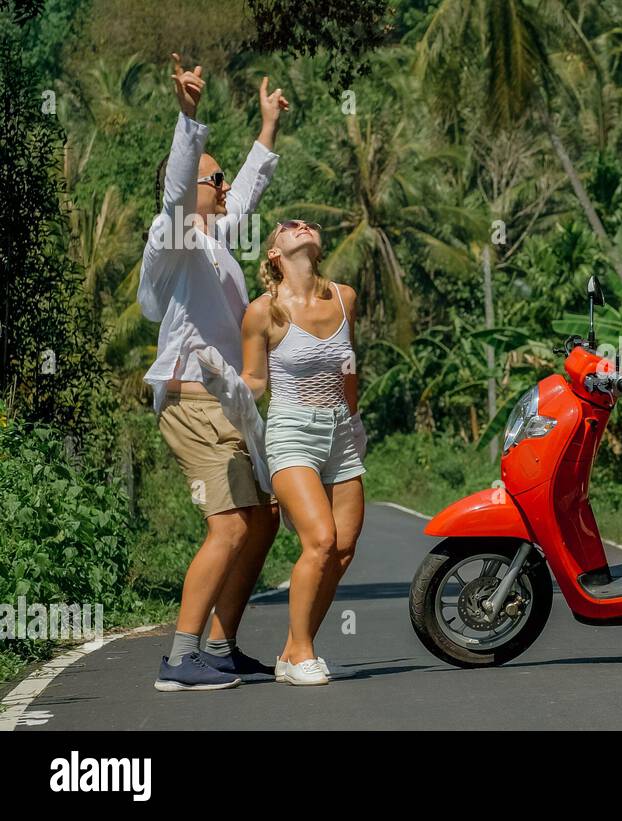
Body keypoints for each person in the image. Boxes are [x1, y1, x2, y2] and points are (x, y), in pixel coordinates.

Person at [140, 53, 289, 691]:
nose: (224, 184)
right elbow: (179, 190)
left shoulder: (219, 241)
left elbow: (248, 190)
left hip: (226, 405)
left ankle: (222, 646)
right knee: (227, 524)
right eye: (215, 177)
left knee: (262, 518)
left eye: (223, 176)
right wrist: (187, 117)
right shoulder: (171, 239)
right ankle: (179, 658)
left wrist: (267, 127)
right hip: (188, 400)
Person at [239, 219, 367, 686]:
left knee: (345, 548)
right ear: (274, 253)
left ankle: (294, 649)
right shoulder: (262, 312)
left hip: (340, 429)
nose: (301, 226)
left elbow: (348, 363)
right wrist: (224, 384)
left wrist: (355, 420)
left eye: (308, 224)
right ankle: (304, 654)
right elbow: (256, 382)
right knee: (320, 540)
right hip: (291, 430)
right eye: (288, 227)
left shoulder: (344, 296)